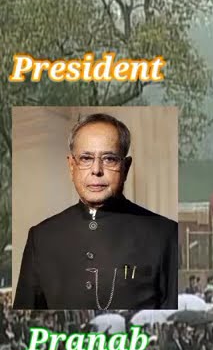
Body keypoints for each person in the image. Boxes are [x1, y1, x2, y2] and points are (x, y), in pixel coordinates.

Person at [13, 113, 179, 310]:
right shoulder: (41, 237)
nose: (96, 170)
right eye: (86, 158)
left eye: (109, 159)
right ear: (71, 167)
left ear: (125, 168)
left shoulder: (165, 235)